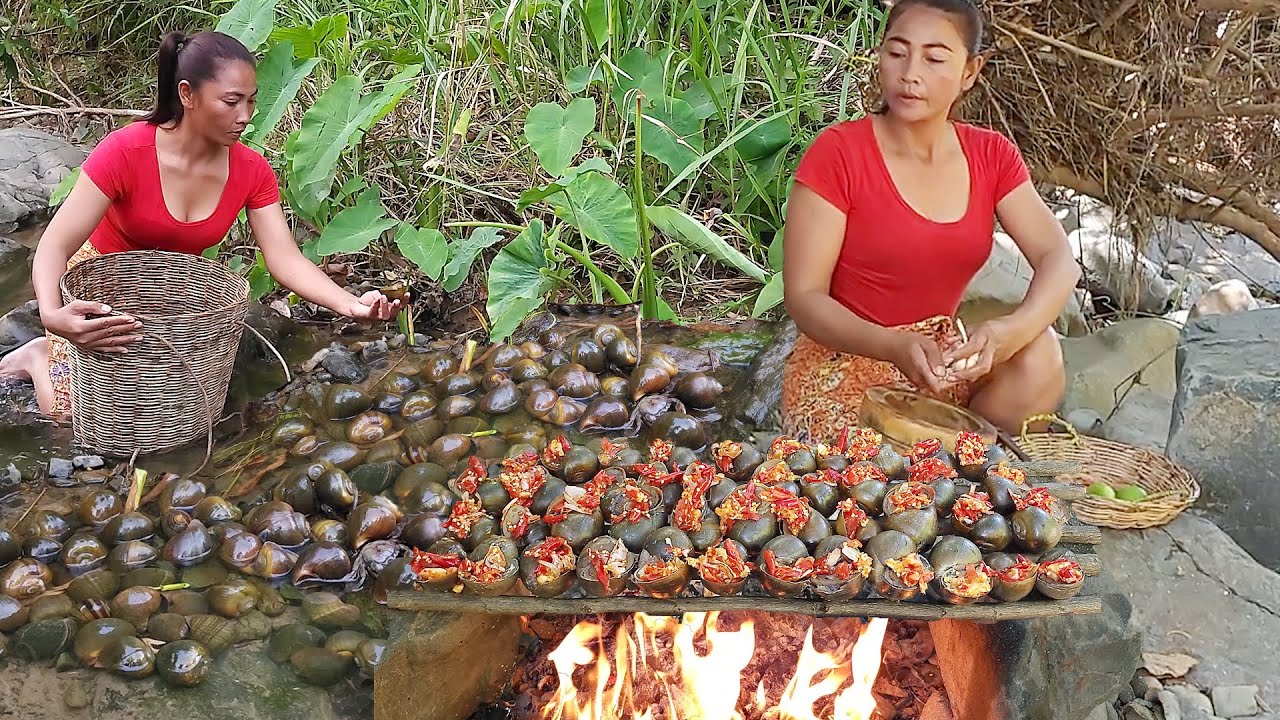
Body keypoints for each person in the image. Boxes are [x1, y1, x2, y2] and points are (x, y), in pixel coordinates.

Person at [0, 30, 403, 419]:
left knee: (170, 414)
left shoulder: (251, 170)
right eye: (230, 102)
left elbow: (284, 257)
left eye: (250, 102)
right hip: (104, 288)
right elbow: (54, 245)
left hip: (174, 297)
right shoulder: (125, 152)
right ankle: (38, 354)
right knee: (74, 417)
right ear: (187, 95)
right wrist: (54, 314)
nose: (244, 117)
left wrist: (350, 304)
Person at [780, 0, 1080, 441]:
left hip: (940, 364)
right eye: (897, 52)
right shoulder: (840, 152)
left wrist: (1008, 333)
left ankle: (972, 460)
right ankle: (958, 463)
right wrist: (892, 346)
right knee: (885, 469)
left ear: (970, 71)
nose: (910, 73)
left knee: (1041, 356)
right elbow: (804, 298)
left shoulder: (990, 155)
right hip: (844, 366)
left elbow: (1058, 258)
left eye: (935, 58)